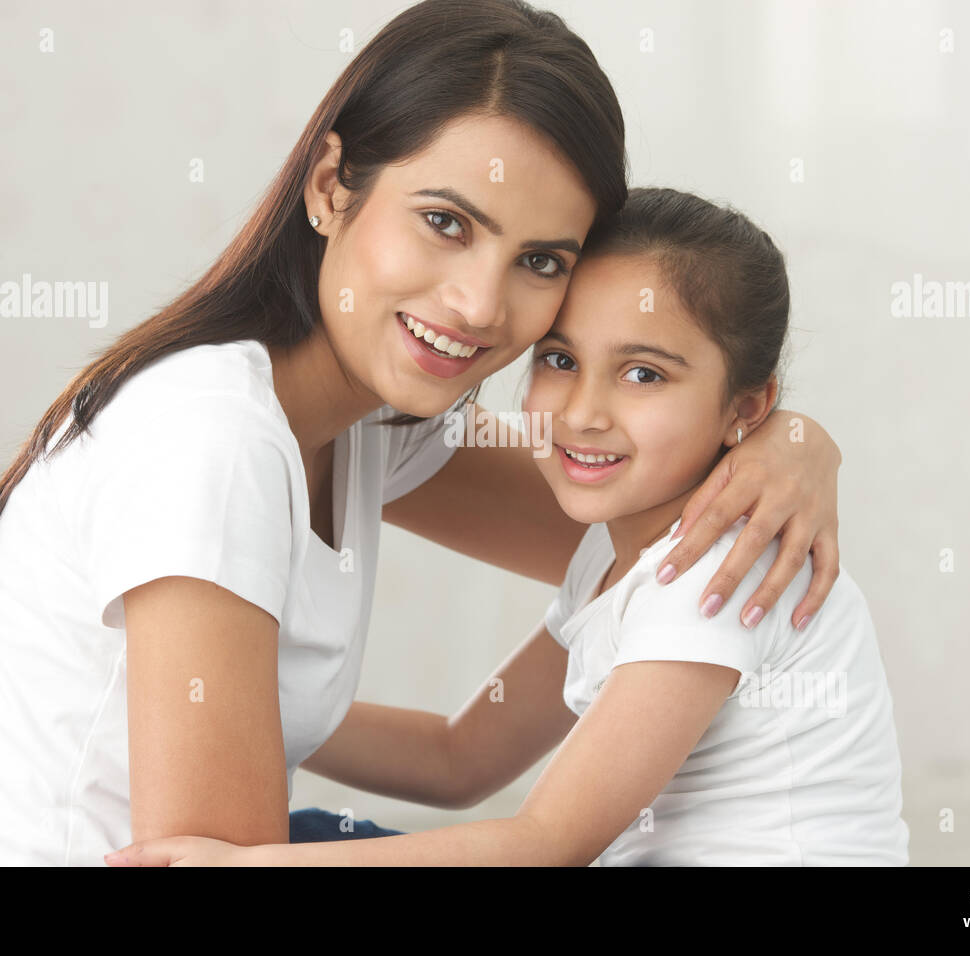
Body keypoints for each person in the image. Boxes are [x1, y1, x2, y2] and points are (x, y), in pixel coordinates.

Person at [0, 0, 843, 866]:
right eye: (445, 222)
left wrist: (785, 441)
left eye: (539, 261)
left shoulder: (377, 421)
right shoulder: (213, 440)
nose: (479, 304)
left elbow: (635, 520)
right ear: (331, 188)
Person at [105, 189, 906, 866]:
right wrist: (211, 701)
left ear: (746, 409)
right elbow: (457, 759)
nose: (584, 413)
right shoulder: (613, 556)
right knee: (309, 835)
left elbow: (548, 841)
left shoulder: (715, 572)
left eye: (643, 374)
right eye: (559, 360)